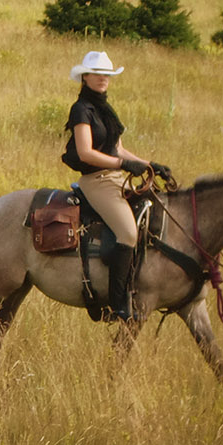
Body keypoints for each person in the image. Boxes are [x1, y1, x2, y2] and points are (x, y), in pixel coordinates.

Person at [61, 51, 171, 320]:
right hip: (96, 181)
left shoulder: (104, 109)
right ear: (85, 77)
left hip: (114, 177)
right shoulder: (81, 110)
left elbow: (118, 149)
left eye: (107, 75)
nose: (103, 79)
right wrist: (121, 166)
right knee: (128, 234)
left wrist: (149, 165)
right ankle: (116, 303)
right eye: (97, 74)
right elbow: (85, 152)